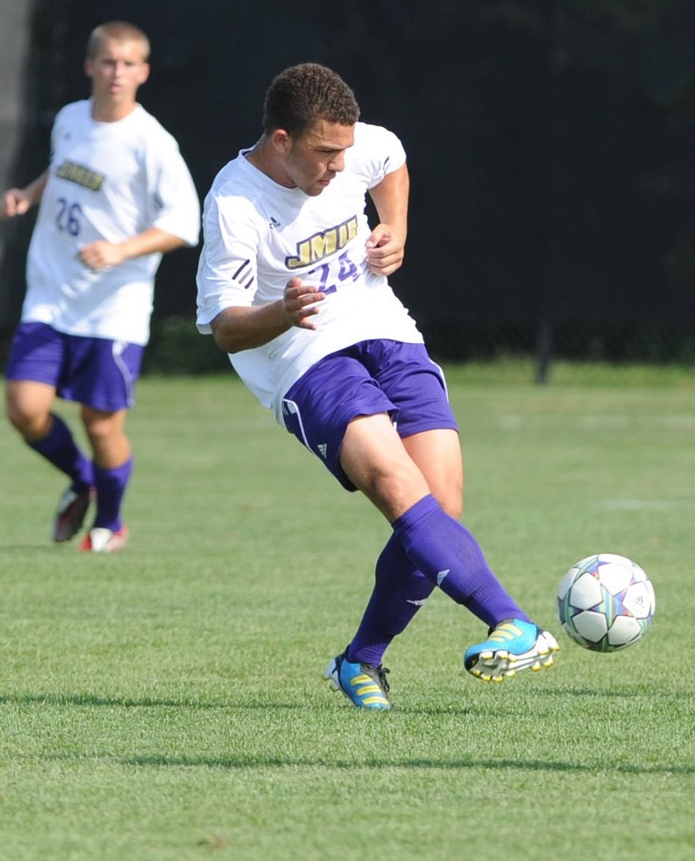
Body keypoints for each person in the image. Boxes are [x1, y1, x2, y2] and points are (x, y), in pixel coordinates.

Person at [195, 62, 558, 710]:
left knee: (439, 502)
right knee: (397, 483)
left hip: (382, 324)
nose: (340, 165)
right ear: (282, 140)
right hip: (300, 357)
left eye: (345, 149)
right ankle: (513, 621)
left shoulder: (356, 145)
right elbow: (223, 328)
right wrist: (281, 311)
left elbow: (391, 160)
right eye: (325, 153)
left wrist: (397, 231)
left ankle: (360, 660)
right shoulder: (235, 203)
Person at [0, 21, 200, 554]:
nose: (117, 73)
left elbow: (184, 224)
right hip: (51, 292)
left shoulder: (151, 143)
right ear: (90, 66)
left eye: (129, 63)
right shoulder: (68, 119)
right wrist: (29, 194)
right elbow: (64, 171)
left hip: (114, 306)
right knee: (24, 407)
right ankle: (84, 480)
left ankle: (110, 522)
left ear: (144, 72)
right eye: (108, 61)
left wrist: (120, 249)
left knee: (101, 424)